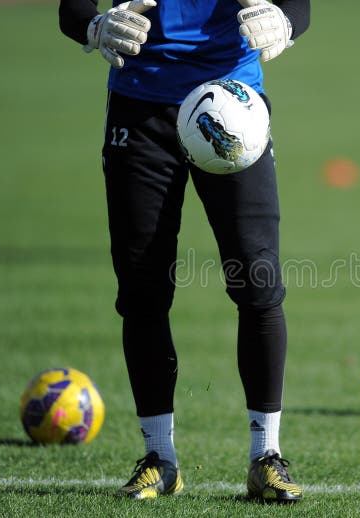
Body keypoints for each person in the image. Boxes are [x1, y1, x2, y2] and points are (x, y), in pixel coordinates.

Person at [58, 0, 310, 502]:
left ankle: (267, 457)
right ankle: (160, 458)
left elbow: (297, 3)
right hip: (140, 104)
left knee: (258, 282)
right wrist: (93, 23)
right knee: (142, 289)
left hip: (233, 99)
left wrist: (286, 20)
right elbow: (71, 5)